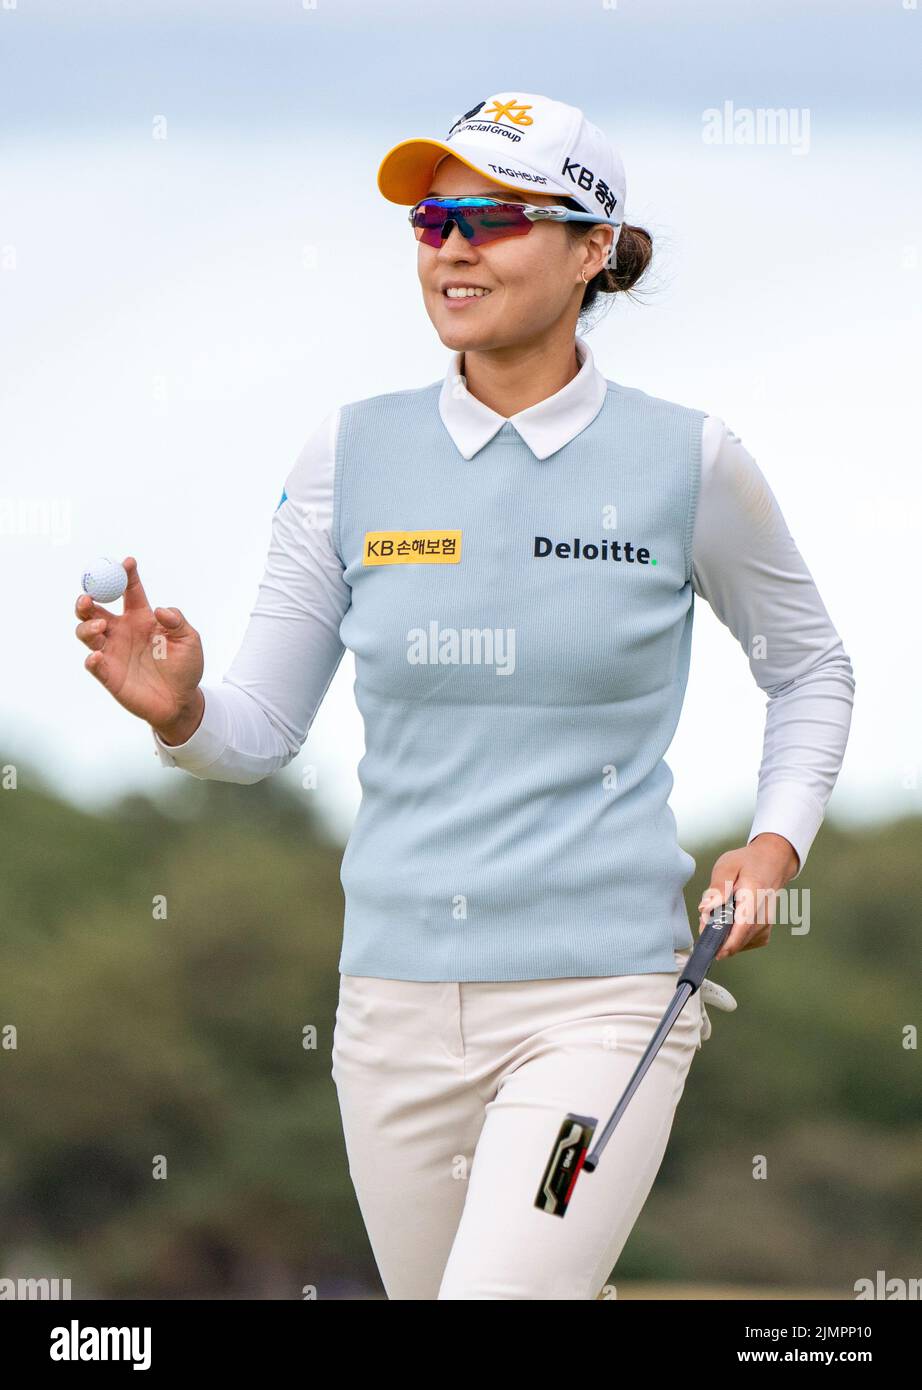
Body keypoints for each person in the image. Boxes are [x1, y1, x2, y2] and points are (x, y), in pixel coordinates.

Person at [74, 91, 856, 1300]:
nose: (450, 245)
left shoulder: (688, 460)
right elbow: (259, 731)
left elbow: (809, 666)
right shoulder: (347, 453)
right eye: (433, 218)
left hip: (601, 1008)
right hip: (389, 1011)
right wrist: (177, 709)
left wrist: (772, 844)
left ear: (592, 248)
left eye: (490, 216)